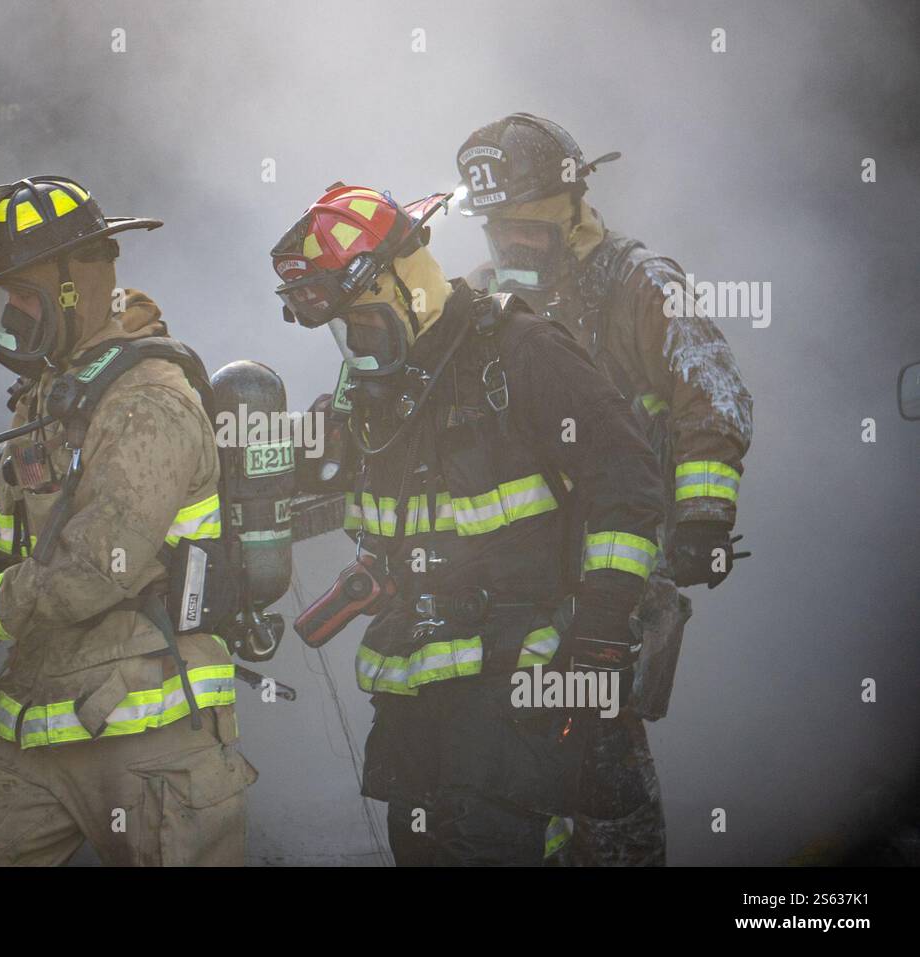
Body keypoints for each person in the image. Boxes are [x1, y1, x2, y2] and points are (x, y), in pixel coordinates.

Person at [0, 175, 256, 866]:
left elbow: (84, 573)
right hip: (42, 726)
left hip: (150, 735)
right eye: (6, 294)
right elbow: (23, 495)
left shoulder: (148, 402)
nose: (12, 311)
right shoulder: (62, 386)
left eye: (23, 292)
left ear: (72, 286)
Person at [275, 183, 663, 864]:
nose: (355, 346)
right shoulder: (375, 386)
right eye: (345, 330)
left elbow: (625, 476)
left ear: (404, 281)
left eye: (362, 321)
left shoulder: (521, 350)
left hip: (522, 676)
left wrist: (602, 627)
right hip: (413, 685)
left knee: (498, 845)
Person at [455, 114, 754, 863]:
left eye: (528, 228)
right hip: (521, 574)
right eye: (498, 230)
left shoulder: (638, 282)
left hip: (618, 562)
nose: (512, 246)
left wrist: (704, 517)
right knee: (517, 745)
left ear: (572, 205)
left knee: (598, 741)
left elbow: (711, 393)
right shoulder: (486, 302)